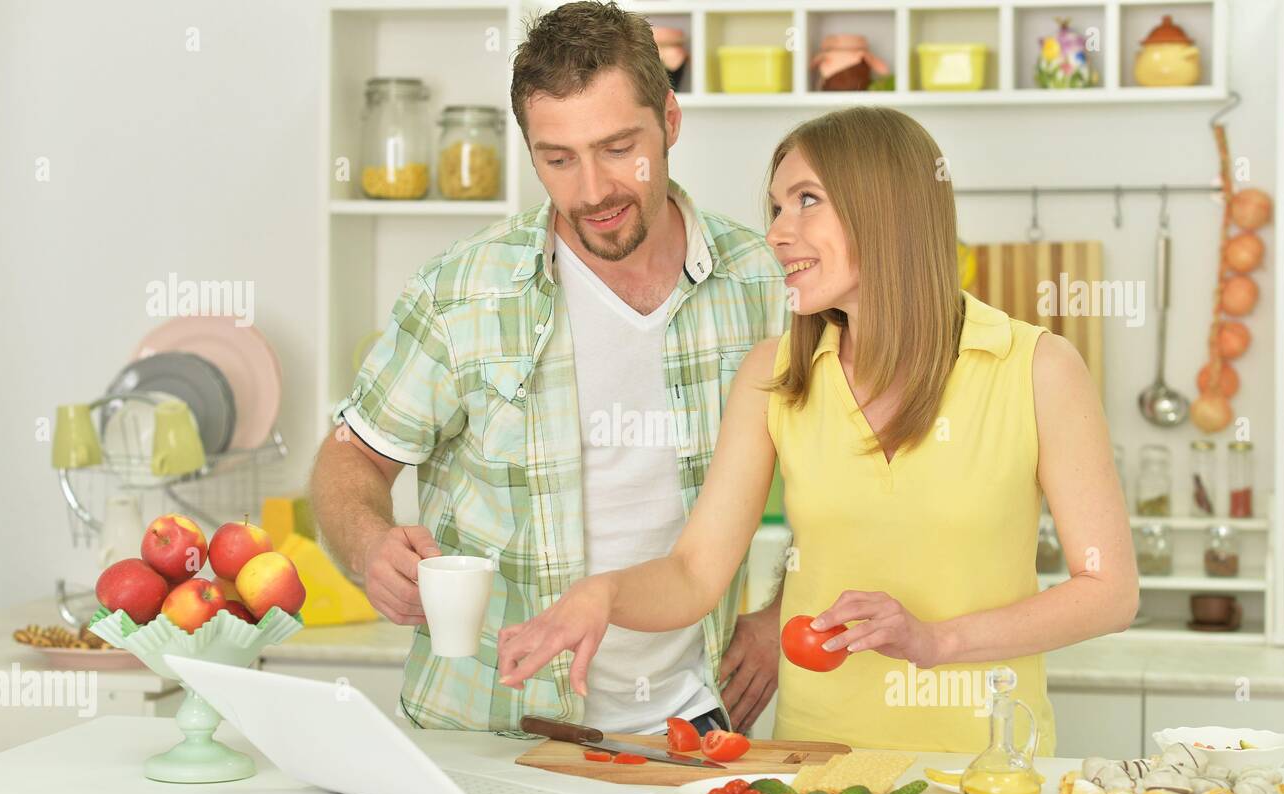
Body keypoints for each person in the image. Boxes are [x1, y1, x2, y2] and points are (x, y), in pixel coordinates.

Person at [496, 106, 1139, 756]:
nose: (778, 233)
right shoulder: (775, 375)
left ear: (888, 207)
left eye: (807, 201)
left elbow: (1110, 591)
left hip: (989, 770)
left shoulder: (1037, 368)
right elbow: (695, 571)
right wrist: (601, 594)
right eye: (775, 208)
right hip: (817, 769)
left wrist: (936, 641)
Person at [310, 2, 790, 735]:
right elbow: (350, 458)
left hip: (689, 725)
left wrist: (781, 613)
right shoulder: (461, 292)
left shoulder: (762, 283)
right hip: (492, 724)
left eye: (617, 146)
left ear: (670, 120)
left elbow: (855, 476)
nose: (592, 190)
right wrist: (369, 543)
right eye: (558, 159)